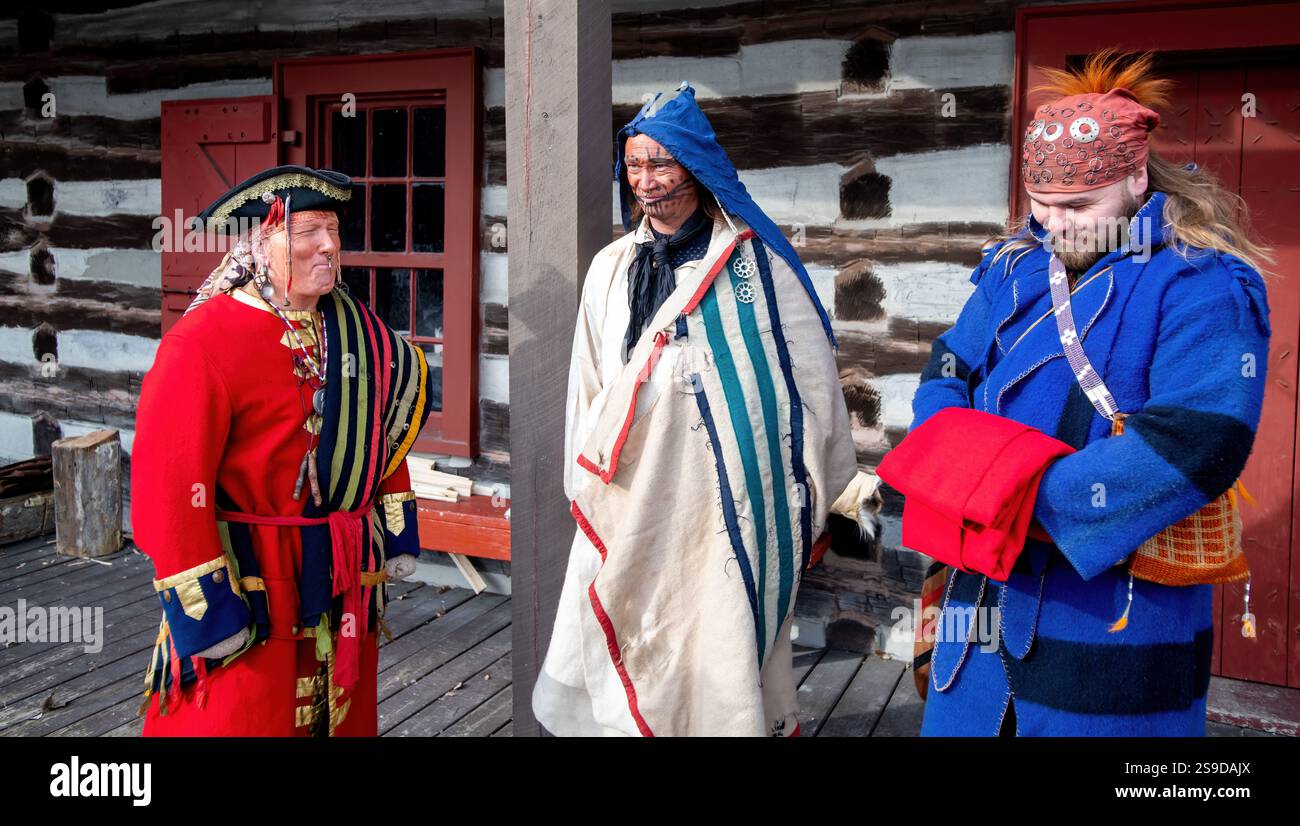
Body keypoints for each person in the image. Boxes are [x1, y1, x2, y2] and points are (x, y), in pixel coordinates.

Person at [910, 51, 1272, 736]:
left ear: (1137, 176)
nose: (1057, 226)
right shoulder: (1013, 267)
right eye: (1042, 206)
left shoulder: (1204, 282)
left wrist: (1018, 499)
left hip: (1111, 613)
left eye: (1079, 207)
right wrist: (957, 466)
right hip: (983, 590)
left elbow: (1200, 439)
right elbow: (948, 370)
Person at [532, 83, 857, 736]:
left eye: (662, 163)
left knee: (717, 652)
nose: (645, 180)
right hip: (629, 497)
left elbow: (809, 388)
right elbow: (589, 388)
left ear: (697, 168)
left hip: (724, 510)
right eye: (634, 163)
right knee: (629, 643)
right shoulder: (609, 268)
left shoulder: (757, 271)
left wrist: (802, 494)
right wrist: (590, 481)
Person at [132, 165, 435, 736]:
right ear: (258, 242)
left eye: (333, 229)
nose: (329, 245)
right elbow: (168, 489)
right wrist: (207, 611)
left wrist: (397, 529)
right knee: (244, 715)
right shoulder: (201, 345)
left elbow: (378, 433)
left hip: (345, 572)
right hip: (254, 579)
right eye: (306, 232)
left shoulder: (355, 330)